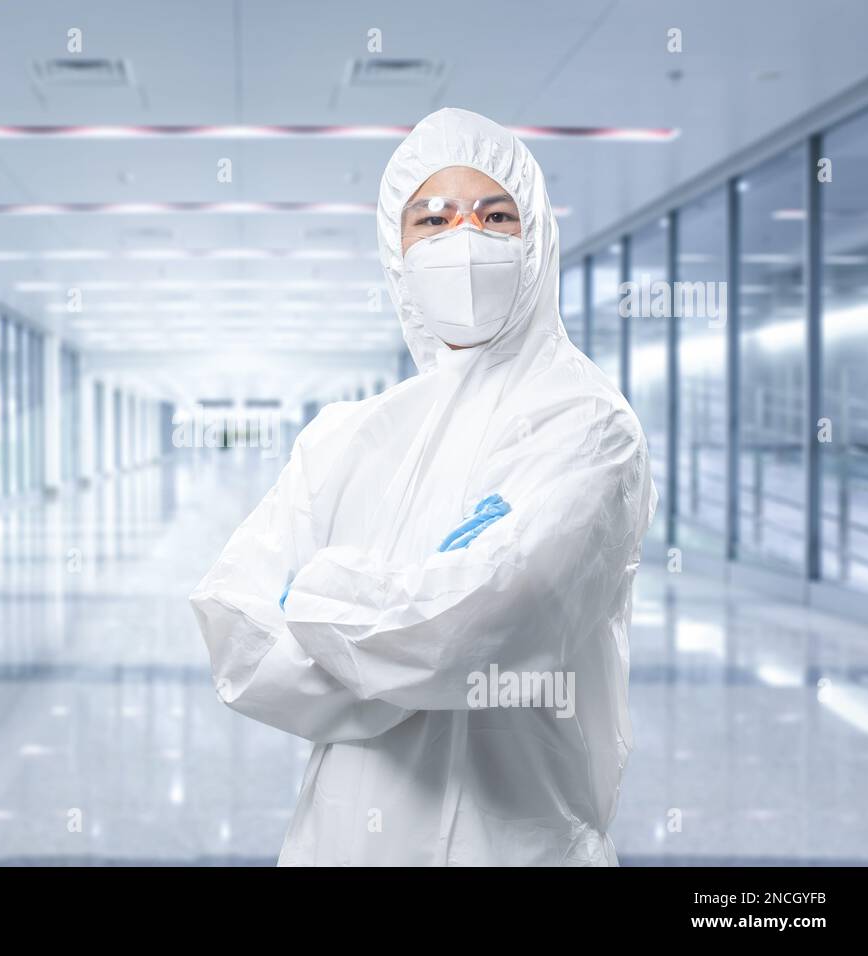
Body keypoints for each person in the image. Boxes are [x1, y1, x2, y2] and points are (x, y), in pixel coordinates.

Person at [189, 107, 656, 866]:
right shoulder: (347, 437)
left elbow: (478, 631)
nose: (462, 239)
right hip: (340, 842)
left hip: (521, 843)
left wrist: (311, 592)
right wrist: (399, 639)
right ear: (396, 252)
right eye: (431, 219)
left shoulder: (588, 427)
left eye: (494, 215)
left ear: (534, 239)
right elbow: (236, 637)